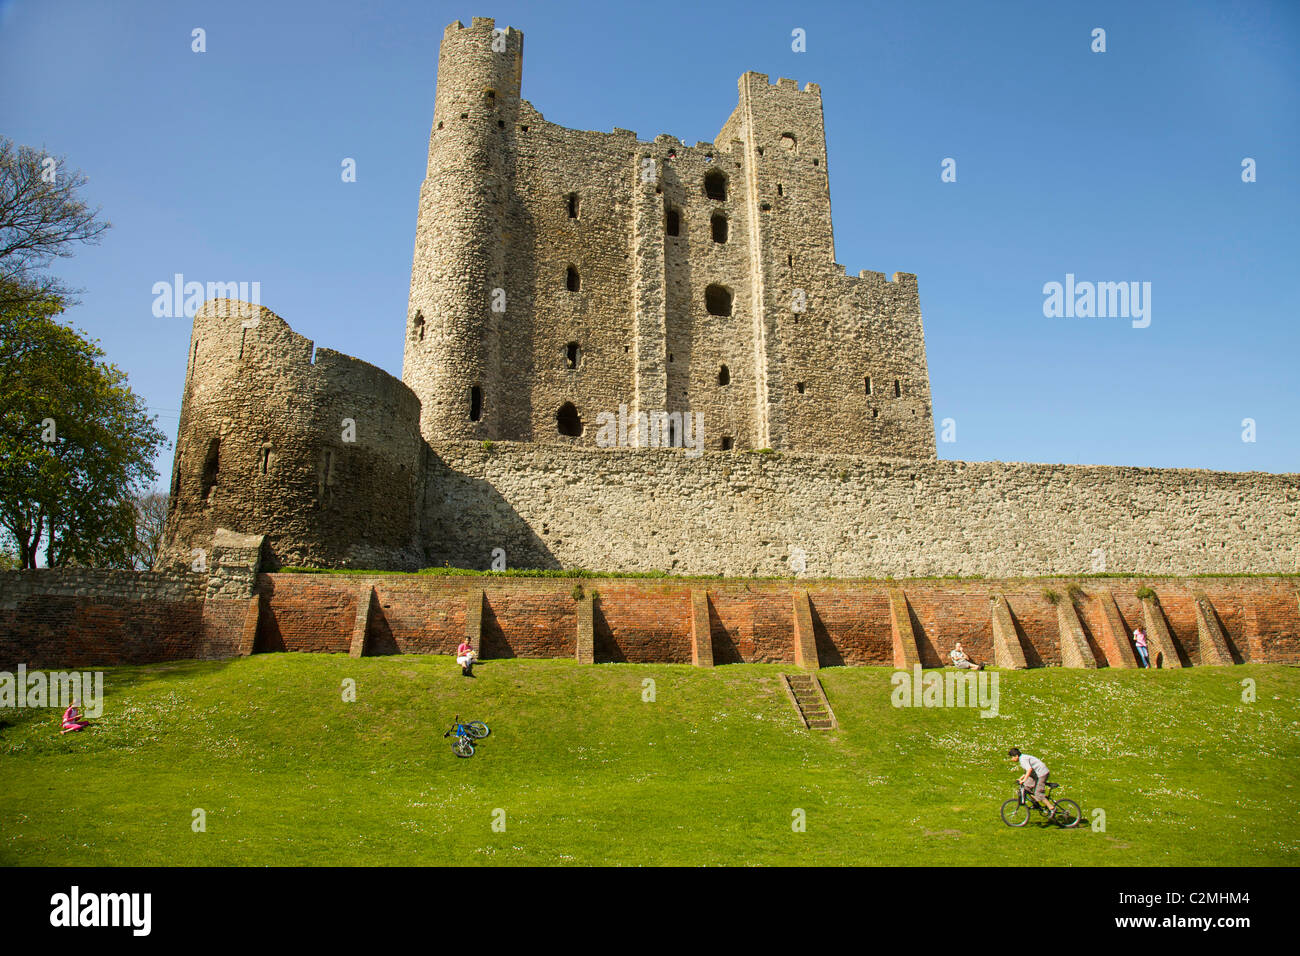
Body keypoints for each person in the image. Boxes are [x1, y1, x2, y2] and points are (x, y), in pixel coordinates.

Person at [1008, 747, 1055, 813]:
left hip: (1042, 774)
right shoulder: (1022, 759)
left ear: (1016, 756)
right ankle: (1036, 804)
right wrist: (1020, 779)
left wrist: (1024, 780)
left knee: (1038, 793)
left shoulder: (1023, 760)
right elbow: (1027, 771)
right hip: (1035, 774)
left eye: (1012, 757)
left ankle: (1051, 808)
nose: (1012, 759)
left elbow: (1029, 770)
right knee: (1026, 787)